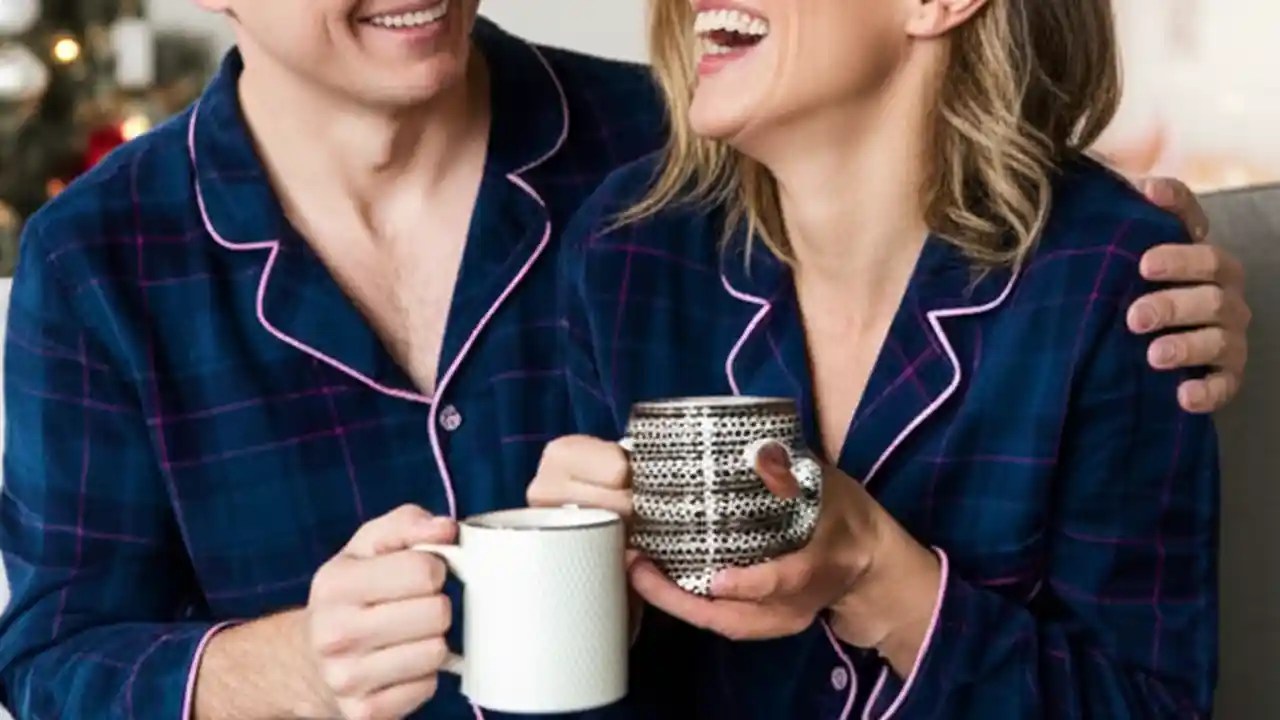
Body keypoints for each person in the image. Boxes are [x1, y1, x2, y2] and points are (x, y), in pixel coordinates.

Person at [0, 1, 1247, 720]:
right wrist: (293, 666)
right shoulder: (99, 260)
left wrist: (1143, 257)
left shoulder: (682, 153)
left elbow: (940, 183)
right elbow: (52, 658)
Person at [532, 0, 1231, 718]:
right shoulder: (625, 250)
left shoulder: (1112, 277)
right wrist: (581, 604)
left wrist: (882, 578)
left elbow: (1153, 706)